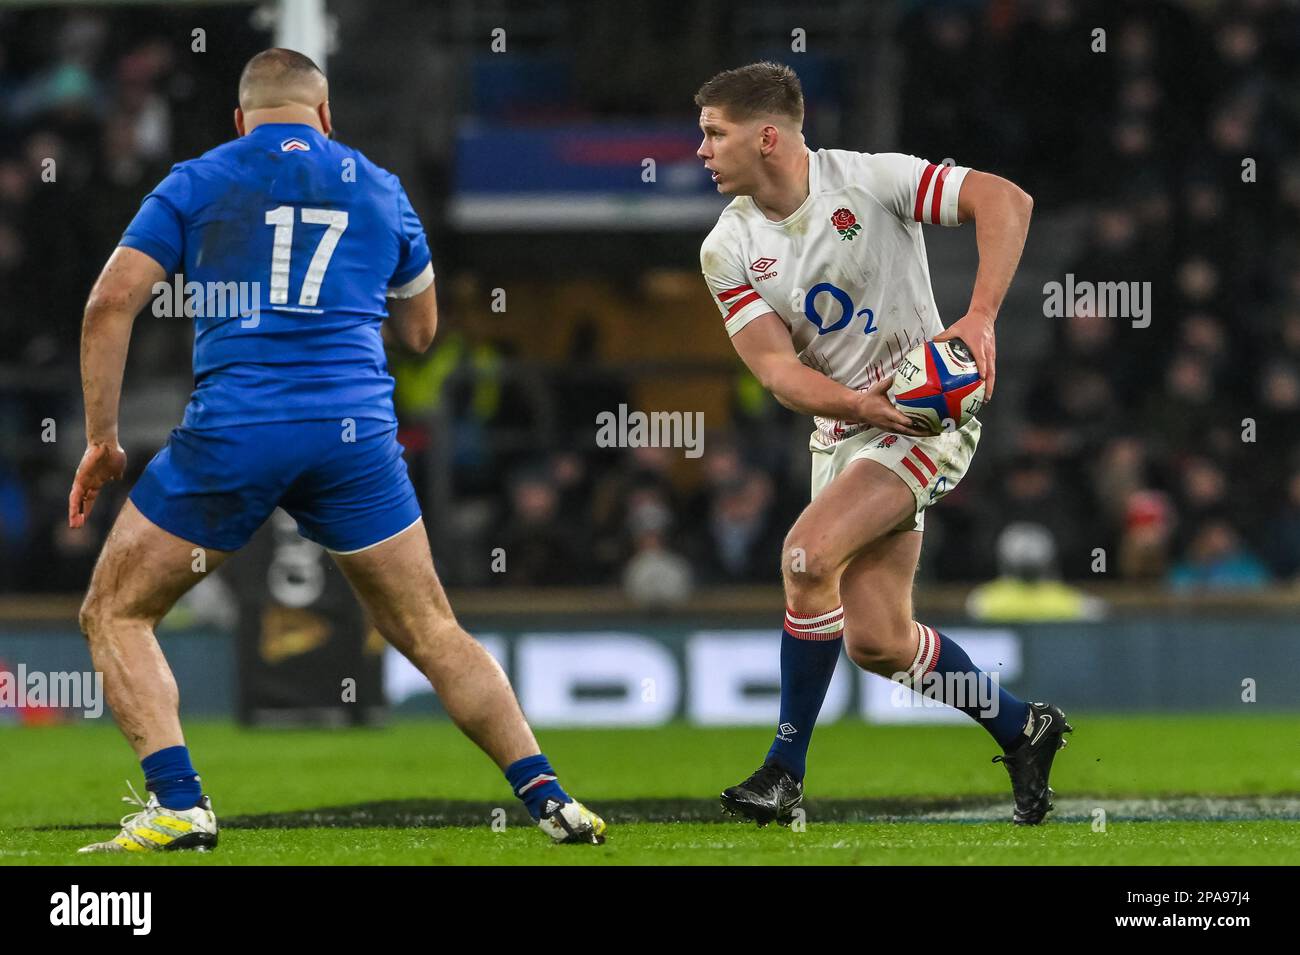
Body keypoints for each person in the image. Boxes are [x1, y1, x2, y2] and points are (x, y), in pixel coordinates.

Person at [68, 48, 604, 852]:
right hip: (352, 435)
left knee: (116, 610)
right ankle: (551, 798)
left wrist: (103, 439)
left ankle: (180, 803)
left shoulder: (197, 178)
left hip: (237, 429)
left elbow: (111, 301)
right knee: (430, 627)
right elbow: (422, 333)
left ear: (241, 118)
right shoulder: (381, 187)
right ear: (325, 116)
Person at [696, 62, 1070, 826]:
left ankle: (783, 771)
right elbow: (776, 371)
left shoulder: (870, 181)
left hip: (927, 417)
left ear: (767, 137)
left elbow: (1006, 199)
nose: (701, 149)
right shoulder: (726, 247)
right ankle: (1023, 725)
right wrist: (859, 404)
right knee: (877, 639)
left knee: (805, 557)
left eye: (714, 132)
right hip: (848, 426)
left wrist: (980, 317)